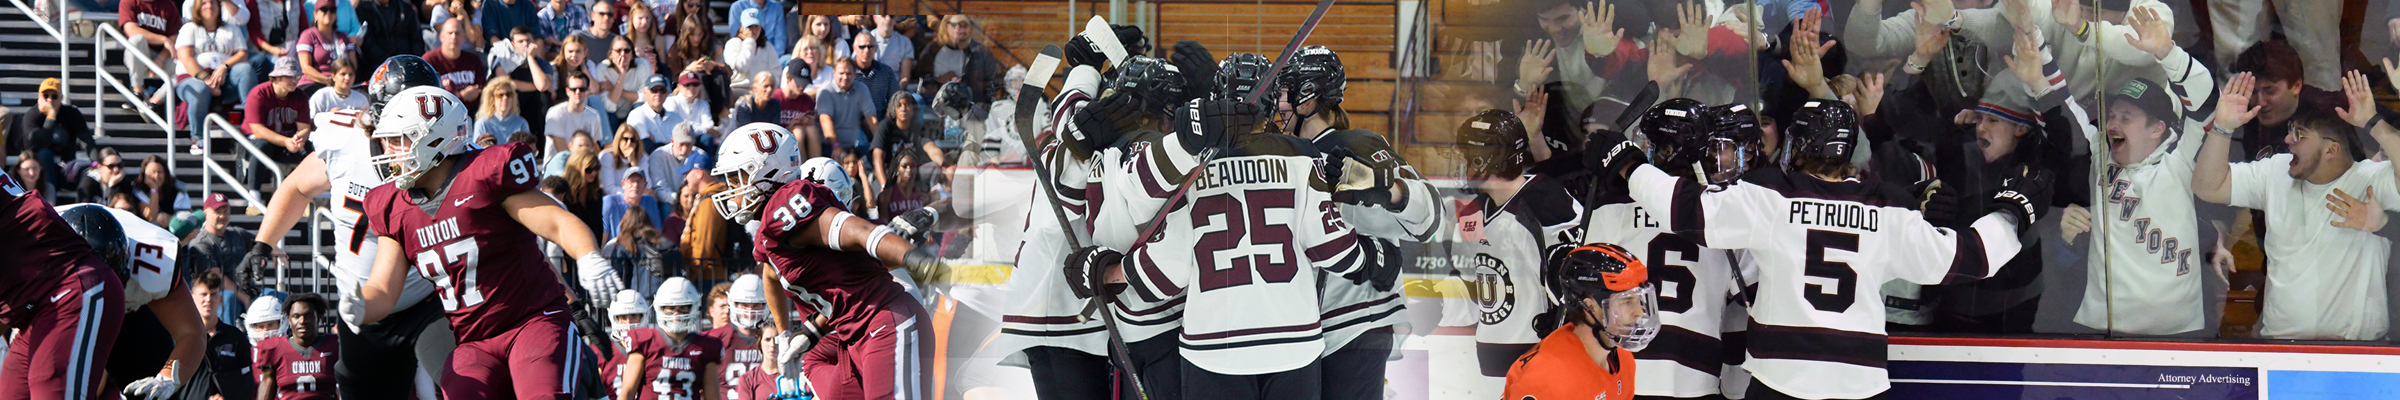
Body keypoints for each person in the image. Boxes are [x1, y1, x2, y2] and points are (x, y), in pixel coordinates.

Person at [1604, 98, 2028, 400]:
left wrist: (1627, 164)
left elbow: (1685, 209)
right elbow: (1970, 258)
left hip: (1779, 381)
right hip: (1860, 386)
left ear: (1800, 146)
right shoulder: (1886, 209)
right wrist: (2014, 213)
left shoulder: (1769, 197)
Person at [1069, 54, 1370, 400]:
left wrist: (1107, 273)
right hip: (1294, 343)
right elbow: (1335, 250)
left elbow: (1169, 269)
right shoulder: (1303, 157)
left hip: (1213, 347)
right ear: (1272, 102)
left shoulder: (1192, 169)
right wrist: (1368, 260)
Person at [351, 86, 626, 400]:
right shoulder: (393, 206)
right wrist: (359, 305)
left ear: (433, 138)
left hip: (532, 322)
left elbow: (556, 221)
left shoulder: (484, 173)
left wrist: (588, 255)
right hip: (472, 341)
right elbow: (384, 290)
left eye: (398, 139)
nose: (389, 150)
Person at [243, 55, 453, 400]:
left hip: (428, 298)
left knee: (465, 380)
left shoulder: (449, 153)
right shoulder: (345, 142)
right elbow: (296, 187)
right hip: (362, 307)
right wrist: (262, 244)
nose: (422, 129)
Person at [714, 122, 941, 400]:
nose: (732, 188)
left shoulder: (785, 203)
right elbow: (772, 275)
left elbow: (858, 231)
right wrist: (790, 333)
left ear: (767, 172)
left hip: (884, 322)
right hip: (852, 335)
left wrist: (916, 260)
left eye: (738, 177)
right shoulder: (768, 230)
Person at [1265, 47, 1427, 400]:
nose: (1276, 106)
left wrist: (1387, 189)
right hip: (1314, 332)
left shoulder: (1358, 146)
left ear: (1306, 100)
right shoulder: (1287, 154)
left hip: (1356, 327)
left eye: (1281, 95)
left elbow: (1428, 218)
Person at [2193, 70, 2400, 341]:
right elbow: (2208, 187)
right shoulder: (2275, 171)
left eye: (2300, 134)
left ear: (2331, 151)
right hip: (2280, 351)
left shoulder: (2370, 181)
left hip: (2359, 354)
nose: (2288, 140)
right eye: (2291, 131)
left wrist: (2373, 123)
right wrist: (2223, 128)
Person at [54, 204, 208, 400]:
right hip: (59, 311)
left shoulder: (155, 260)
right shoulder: (33, 245)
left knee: (149, 393)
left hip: (128, 315)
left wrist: (167, 379)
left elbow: (192, 333)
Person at [1499, 244, 1659, 400]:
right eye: (1627, 301)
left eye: (1639, 300)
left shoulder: (1623, 360)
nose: (1640, 312)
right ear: (1590, 307)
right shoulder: (1546, 380)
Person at [614, 278, 720, 400]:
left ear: (693, 307)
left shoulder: (706, 346)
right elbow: (627, 394)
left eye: (683, 307)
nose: (676, 313)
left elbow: (713, 398)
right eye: (670, 308)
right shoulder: (645, 341)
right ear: (661, 308)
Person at [172, 0, 253, 151]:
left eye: (213, 2)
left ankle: (252, 125)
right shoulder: (189, 28)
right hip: (192, 78)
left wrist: (224, 66)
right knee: (199, 89)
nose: (209, 6)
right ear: (197, 7)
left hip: (224, 80)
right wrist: (207, 80)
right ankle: (197, 139)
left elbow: (243, 53)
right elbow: (185, 57)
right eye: (204, 3)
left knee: (245, 69)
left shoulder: (231, 28)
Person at [252, 293, 339, 399]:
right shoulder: (274, 349)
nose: (302, 321)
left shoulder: (334, 345)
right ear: (289, 320)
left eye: (308, 316)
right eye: (296, 316)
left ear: (319, 318)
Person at [18, 78, 94, 190]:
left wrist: (97, 162)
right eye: (45, 96)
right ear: (39, 97)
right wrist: (51, 116)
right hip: (38, 171)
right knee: (45, 153)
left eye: (54, 96)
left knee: (90, 171)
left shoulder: (72, 114)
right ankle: (50, 199)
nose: (49, 100)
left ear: (61, 97)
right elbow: (40, 143)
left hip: (65, 168)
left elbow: (87, 140)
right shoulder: (31, 116)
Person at [704, 274, 770, 397]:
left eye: (755, 305)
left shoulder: (772, 338)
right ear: (734, 305)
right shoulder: (715, 338)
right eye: (744, 305)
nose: (750, 311)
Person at [247, 57, 317, 165]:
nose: (294, 80)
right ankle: (253, 183)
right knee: (262, 146)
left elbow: (305, 128)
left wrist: (299, 139)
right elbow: (257, 130)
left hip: (288, 143)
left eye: (296, 76)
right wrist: (285, 141)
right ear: (277, 78)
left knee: (313, 149)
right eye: (289, 76)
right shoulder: (259, 93)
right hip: (255, 141)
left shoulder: (301, 96)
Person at [916, 15, 998, 103]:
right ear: (946, 27)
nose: (962, 30)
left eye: (965, 26)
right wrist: (940, 82)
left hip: (970, 100)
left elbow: (991, 80)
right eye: (957, 25)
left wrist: (967, 83)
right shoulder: (934, 49)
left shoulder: (979, 51)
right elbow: (922, 78)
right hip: (936, 100)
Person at [185, 193, 258, 287]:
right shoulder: (200, 242)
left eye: (226, 212)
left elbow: (261, 242)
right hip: (220, 295)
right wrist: (245, 298)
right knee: (229, 297)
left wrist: (271, 249)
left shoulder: (238, 233)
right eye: (217, 212)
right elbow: (215, 275)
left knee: (277, 295)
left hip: (249, 289)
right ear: (206, 213)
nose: (222, 216)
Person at [817, 61, 879, 163]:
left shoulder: (862, 88)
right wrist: (836, 145)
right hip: (828, 146)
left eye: (849, 73)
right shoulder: (825, 91)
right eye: (841, 73)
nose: (845, 77)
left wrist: (879, 145)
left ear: (855, 74)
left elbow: (871, 118)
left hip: (853, 147)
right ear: (834, 72)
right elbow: (825, 120)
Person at [423, 18, 487, 110]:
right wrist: (461, 95)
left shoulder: (473, 59)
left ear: (464, 37)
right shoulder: (429, 60)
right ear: (441, 37)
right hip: (443, 115)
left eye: (457, 33)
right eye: (450, 33)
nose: (454, 37)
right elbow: (428, 96)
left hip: (472, 114)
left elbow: (482, 90)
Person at [120, 0, 182, 92]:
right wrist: (163, 39)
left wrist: (160, 58)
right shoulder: (129, 1)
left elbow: (174, 36)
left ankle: (155, 101)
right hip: (138, 56)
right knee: (136, 40)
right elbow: (132, 31)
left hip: (161, 56)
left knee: (183, 68)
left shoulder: (168, 4)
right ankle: (137, 92)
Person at [547, 72, 610, 153]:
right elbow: (562, 152)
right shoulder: (555, 113)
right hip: (559, 163)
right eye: (573, 89)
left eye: (582, 89)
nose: (577, 92)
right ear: (567, 91)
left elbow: (593, 146)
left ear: (588, 91)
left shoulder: (594, 115)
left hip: (583, 162)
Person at [294, 1, 351, 90]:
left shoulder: (343, 37)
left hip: (341, 85)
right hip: (313, 84)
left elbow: (353, 65)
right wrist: (329, 81)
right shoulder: (308, 35)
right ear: (315, 14)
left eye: (332, 10)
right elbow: (305, 68)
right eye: (324, 10)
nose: (328, 13)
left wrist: (342, 81)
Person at [723, 10, 778, 99]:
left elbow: (776, 71)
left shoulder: (768, 47)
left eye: (756, 27)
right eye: (749, 27)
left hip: (763, 92)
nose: (753, 31)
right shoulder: (732, 44)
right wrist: (749, 41)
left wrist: (769, 89)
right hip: (737, 90)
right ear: (741, 27)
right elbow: (742, 67)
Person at [646, 127, 704, 208]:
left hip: (693, 200)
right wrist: (682, 200)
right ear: (672, 141)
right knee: (666, 207)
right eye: (681, 144)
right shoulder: (658, 156)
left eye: (688, 144)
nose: (684, 150)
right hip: (672, 202)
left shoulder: (700, 155)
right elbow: (660, 190)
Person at [353, 0, 423, 66]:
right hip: (378, 65)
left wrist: (414, 60)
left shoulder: (405, 8)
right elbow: (368, 43)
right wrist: (389, 62)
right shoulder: (364, 9)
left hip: (407, 61)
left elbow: (416, 39)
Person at [602, 169, 667, 238]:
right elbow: (604, 233)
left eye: (639, 181)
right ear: (623, 184)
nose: (635, 185)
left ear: (645, 185)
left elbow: (657, 231)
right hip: (616, 246)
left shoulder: (650, 201)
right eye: (631, 181)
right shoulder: (610, 201)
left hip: (644, 246)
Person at [601, 35, 653, 116]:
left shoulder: (642, 65)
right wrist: (622, 75)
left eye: (627, 50)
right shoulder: (602, 68)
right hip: (612, 114)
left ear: (632, 54)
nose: (623, 54)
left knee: (640, 107)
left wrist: (613, 88)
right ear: (611, 54)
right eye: (618, 51)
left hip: (634, 111)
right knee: (608, 113)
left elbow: (646, 97)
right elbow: (608, 106)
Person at [849, 31, 899, 113]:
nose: (866, 50)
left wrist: (886, 121)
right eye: (862, 47)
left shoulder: (886, 71)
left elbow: (895, 100)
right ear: (854, 48)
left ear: (876, 48)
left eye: (871, 47)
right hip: (853, 120)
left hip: (879, 118)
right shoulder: (845, 72)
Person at [626, 75, 683, 144]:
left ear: (667, 92)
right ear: (645, 92)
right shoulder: (636, 114)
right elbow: (647, 147)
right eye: (654, 90)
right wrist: (674, 145)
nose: (658, 94)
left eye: (662, 90)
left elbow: (686, 144)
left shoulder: (676, 117)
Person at [475, 78, 531, 146]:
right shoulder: (482, 124)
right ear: (492, 99)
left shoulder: (522, 123)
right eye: (500, 95)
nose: (505, 98)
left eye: (508, 94)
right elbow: (477, 152)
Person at [666, 71, 717, 139]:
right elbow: (676, 124)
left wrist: (687, 123)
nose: (691, 88)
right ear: (679, 87)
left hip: (697, 137)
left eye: (695, 84)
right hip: (678, 138)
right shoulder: (671, 101)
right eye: (687, 85)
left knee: (707, 138)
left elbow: (709, 125)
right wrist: (703, 129)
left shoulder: (704, 104)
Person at [869, 15, 913, 81]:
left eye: (892, 16)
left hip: (895, 86)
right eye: (883, 15)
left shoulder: (905, 42)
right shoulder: (864, 40)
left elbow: (905, 75)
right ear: (875, 18)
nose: (888, 19)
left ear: (896, 18)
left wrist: (898, 90)